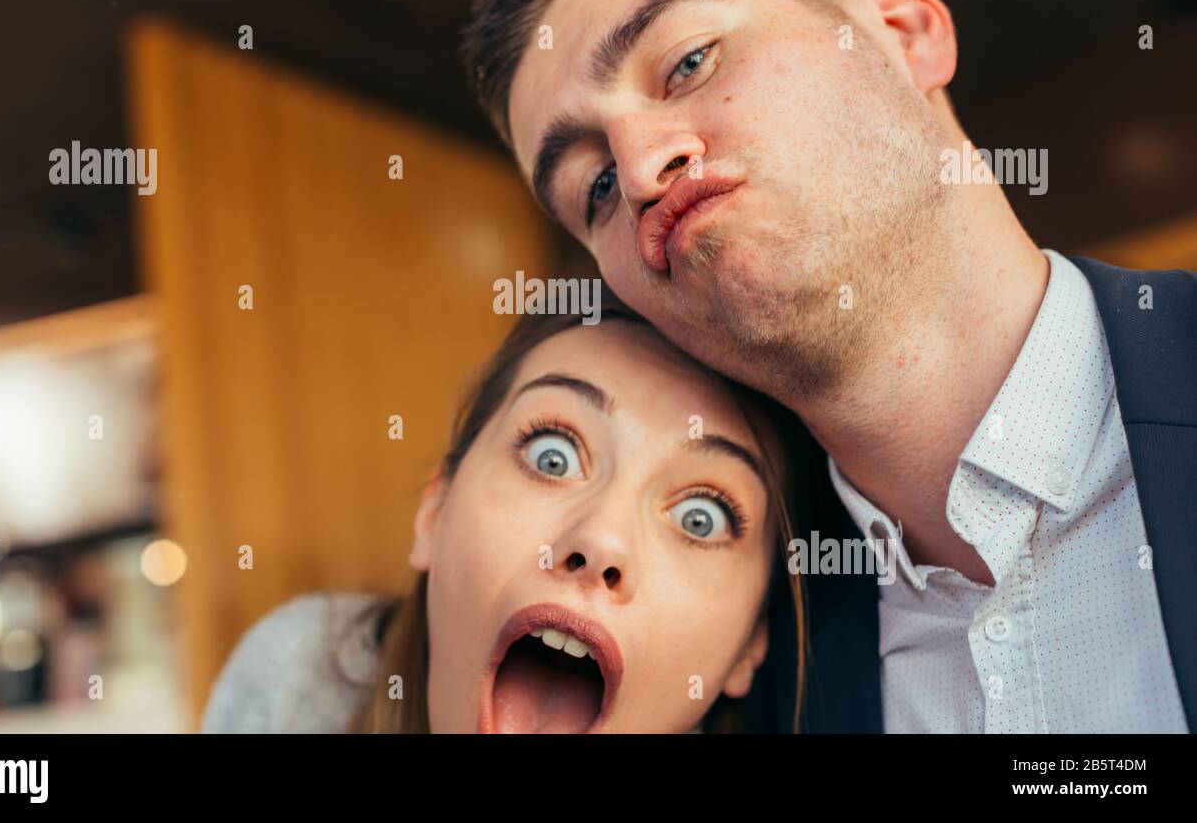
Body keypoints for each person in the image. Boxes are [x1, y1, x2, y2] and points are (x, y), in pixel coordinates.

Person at [458, 0, 1196, 732]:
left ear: (903, 28)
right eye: (591, 187)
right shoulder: (734, 652)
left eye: (690, 62)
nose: (637, 172)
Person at [203, 294, 818, 732]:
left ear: (748, 649)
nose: (601, 540)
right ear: (433, 513)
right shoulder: (298, 683)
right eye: (552, 456)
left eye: (700, 518)